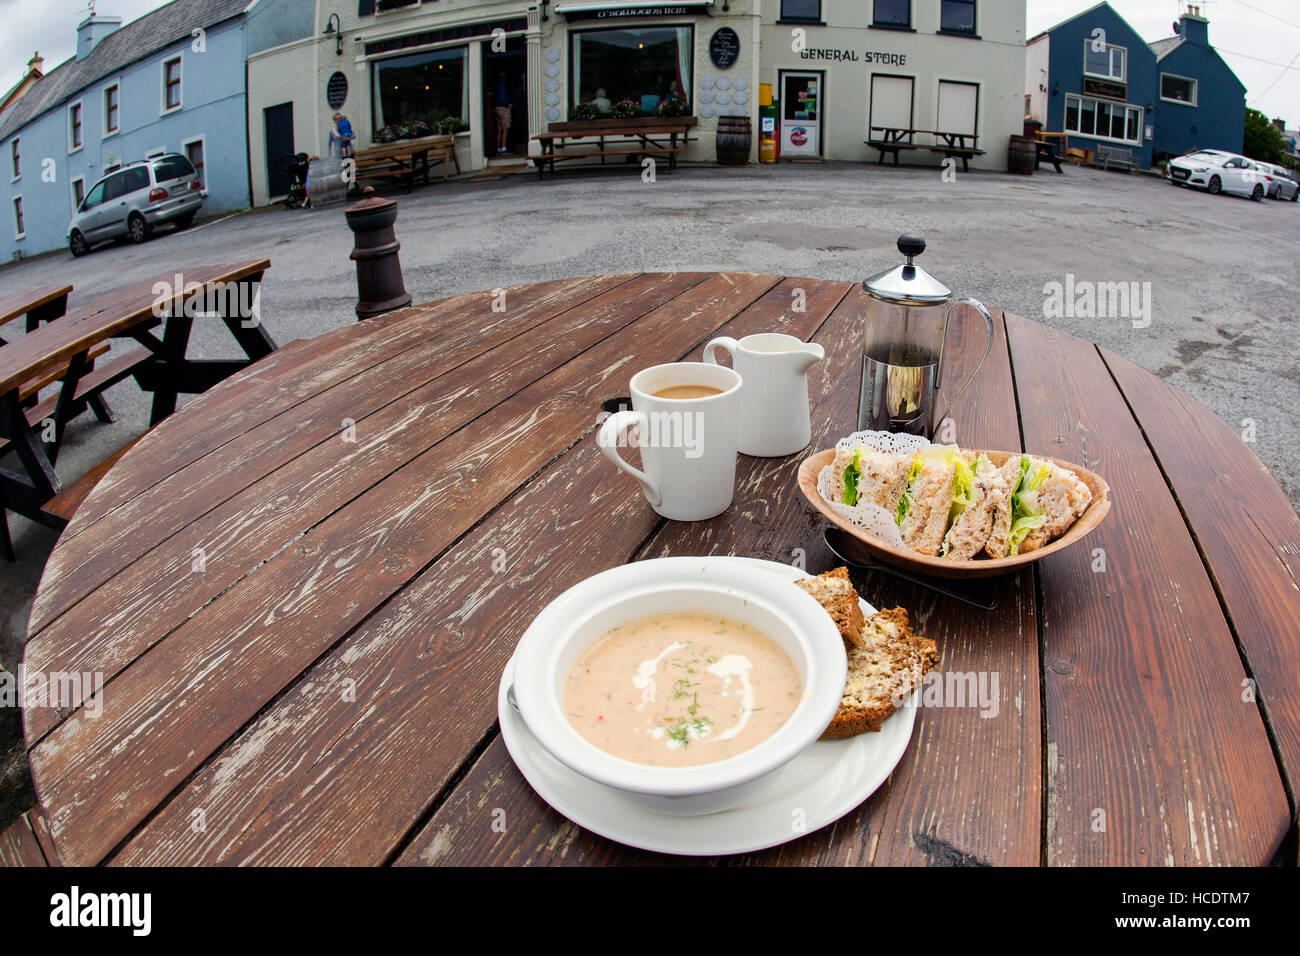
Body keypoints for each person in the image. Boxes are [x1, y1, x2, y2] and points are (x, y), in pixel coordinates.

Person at [494, 72, 512, 156]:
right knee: (505, 129)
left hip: (497, 107)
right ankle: (504, 149)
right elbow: (502, 97)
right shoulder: (503, 84)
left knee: (499, 129)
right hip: (503, 108)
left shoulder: (497, 84)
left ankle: (498, 149)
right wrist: (507, 104)